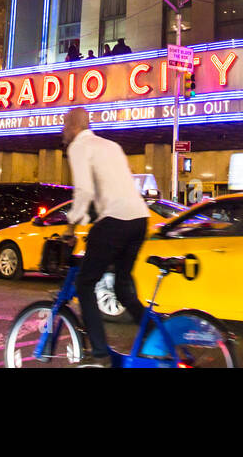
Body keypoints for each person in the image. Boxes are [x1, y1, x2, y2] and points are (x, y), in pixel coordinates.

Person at [61, 106, 152, 364]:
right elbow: (109, 191)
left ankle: (100, 351)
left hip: (115, 221)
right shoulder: (111, 146)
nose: (62, 131)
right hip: (139, 220)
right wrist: (90, 219)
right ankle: (156, 333)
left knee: (85, 283)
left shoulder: (78, 146)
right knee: (123, 288)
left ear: (74, 126)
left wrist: (70, 226)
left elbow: (85, 191)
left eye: (64, 125)